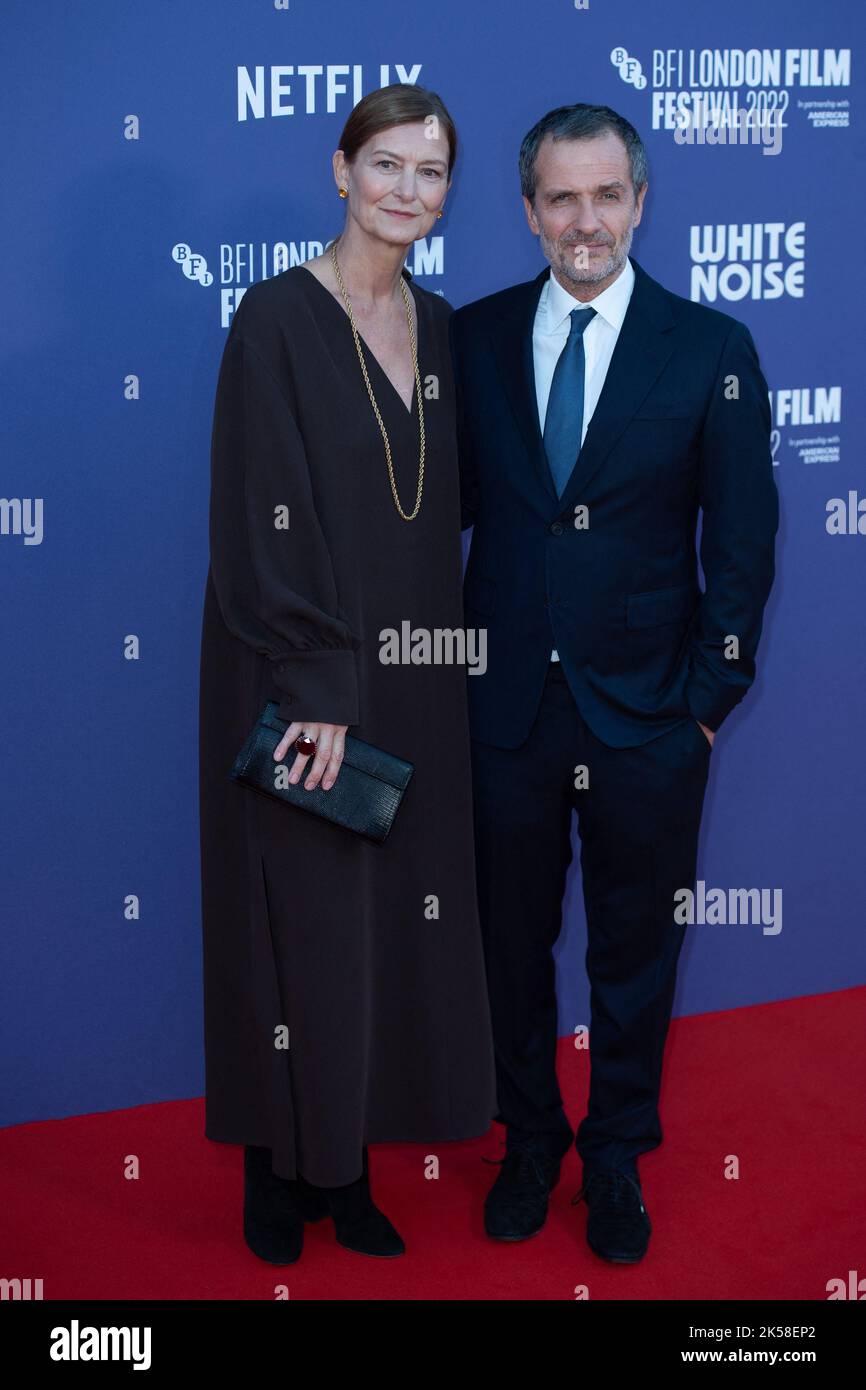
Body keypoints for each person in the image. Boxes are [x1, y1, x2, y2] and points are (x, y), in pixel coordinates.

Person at [449, 103, 778, 1262]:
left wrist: (703, 708)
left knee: (635, 952)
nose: (582, 221)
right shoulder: (473, 339)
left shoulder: (708, 349)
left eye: (603, 196)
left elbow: (740, 545)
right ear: (528, 210)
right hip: (504, 710)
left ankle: (615, 1152)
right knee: (507, 944)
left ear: (638, 203)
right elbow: (437, 517)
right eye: (560, 198)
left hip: (648, 717)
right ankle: (529, 1140)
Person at [199, 83, 496, 1265]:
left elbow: (452, 499)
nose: (404, 190)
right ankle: (275, 1169)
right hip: (297, 668)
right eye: (384, 164)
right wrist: (316, 687)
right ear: (339, 170)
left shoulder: (446, 329)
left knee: (382, 930)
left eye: (429, 171)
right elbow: (257, 515)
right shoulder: (273, 319)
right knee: (299, 918)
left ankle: (348, 1164)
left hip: (416, 669)